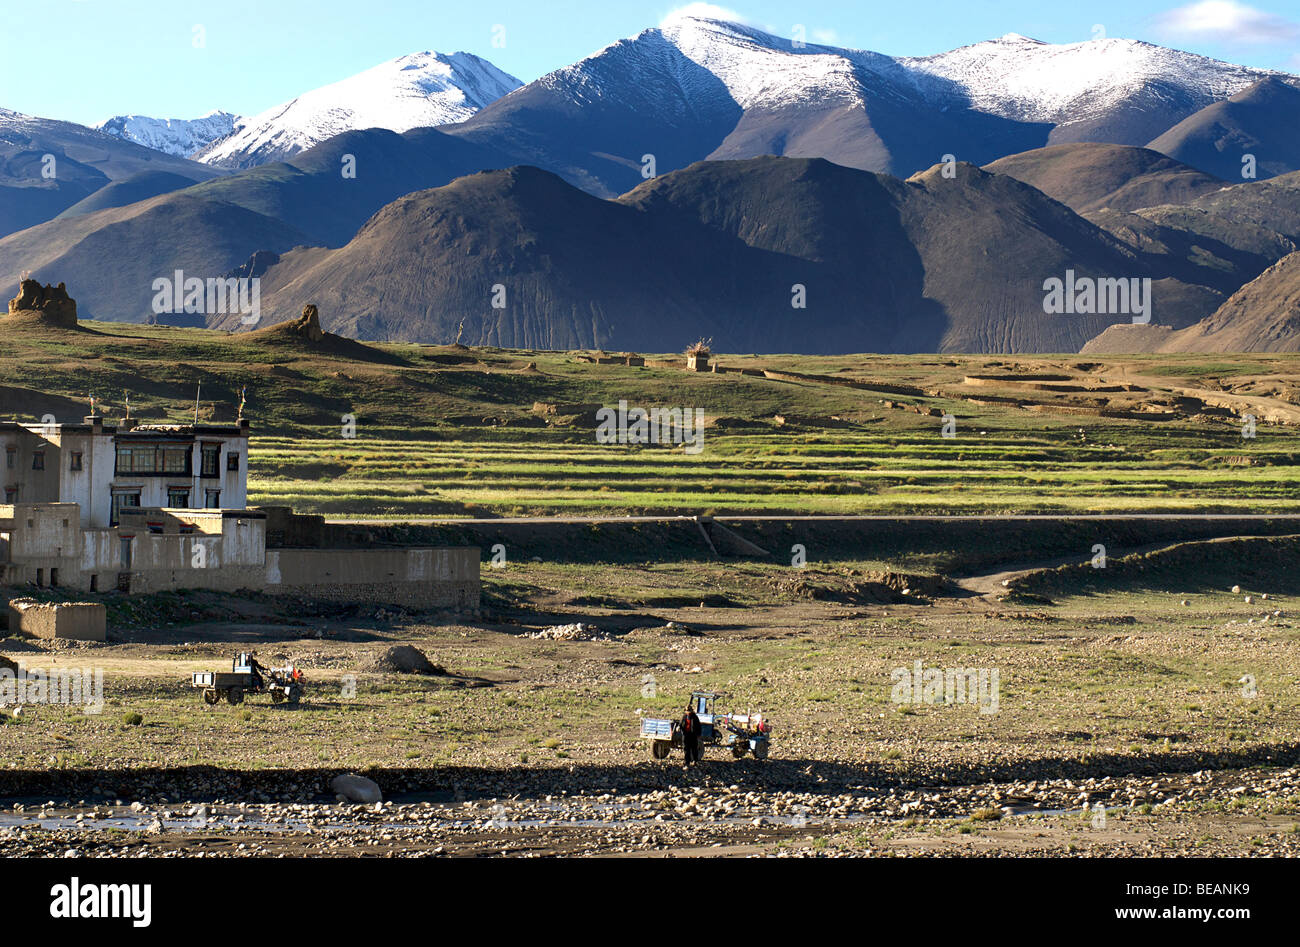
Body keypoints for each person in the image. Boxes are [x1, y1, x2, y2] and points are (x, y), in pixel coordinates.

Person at [680, 702, 701, 767]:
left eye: (689, 711)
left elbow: (698, 726)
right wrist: (682, 731)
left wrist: (698, 734)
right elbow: (681, 725)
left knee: (694, 748)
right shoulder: (684, 717)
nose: (688, 712)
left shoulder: (695, 717)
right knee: (686, 749)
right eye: (687, 711)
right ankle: (687, 762)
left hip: (693, 735)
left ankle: (695, 761)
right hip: (686, 735)